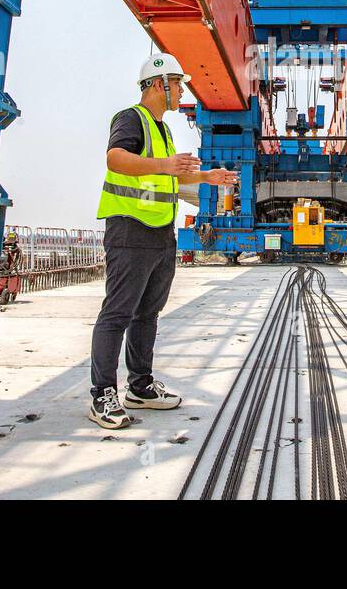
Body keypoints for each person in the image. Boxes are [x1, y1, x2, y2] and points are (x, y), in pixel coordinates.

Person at [89, 53, 237, 430]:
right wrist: (164, 165)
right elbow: (116, 159)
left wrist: (208, 178)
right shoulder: (131, 118)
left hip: (159, 232)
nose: (182, 90)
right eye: (178, 84)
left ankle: (139, 386)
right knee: (117, 314)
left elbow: (167, 178)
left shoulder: (164, 131)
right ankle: (102, 394)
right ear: (159, 84)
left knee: (147, 315)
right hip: (129, 230)